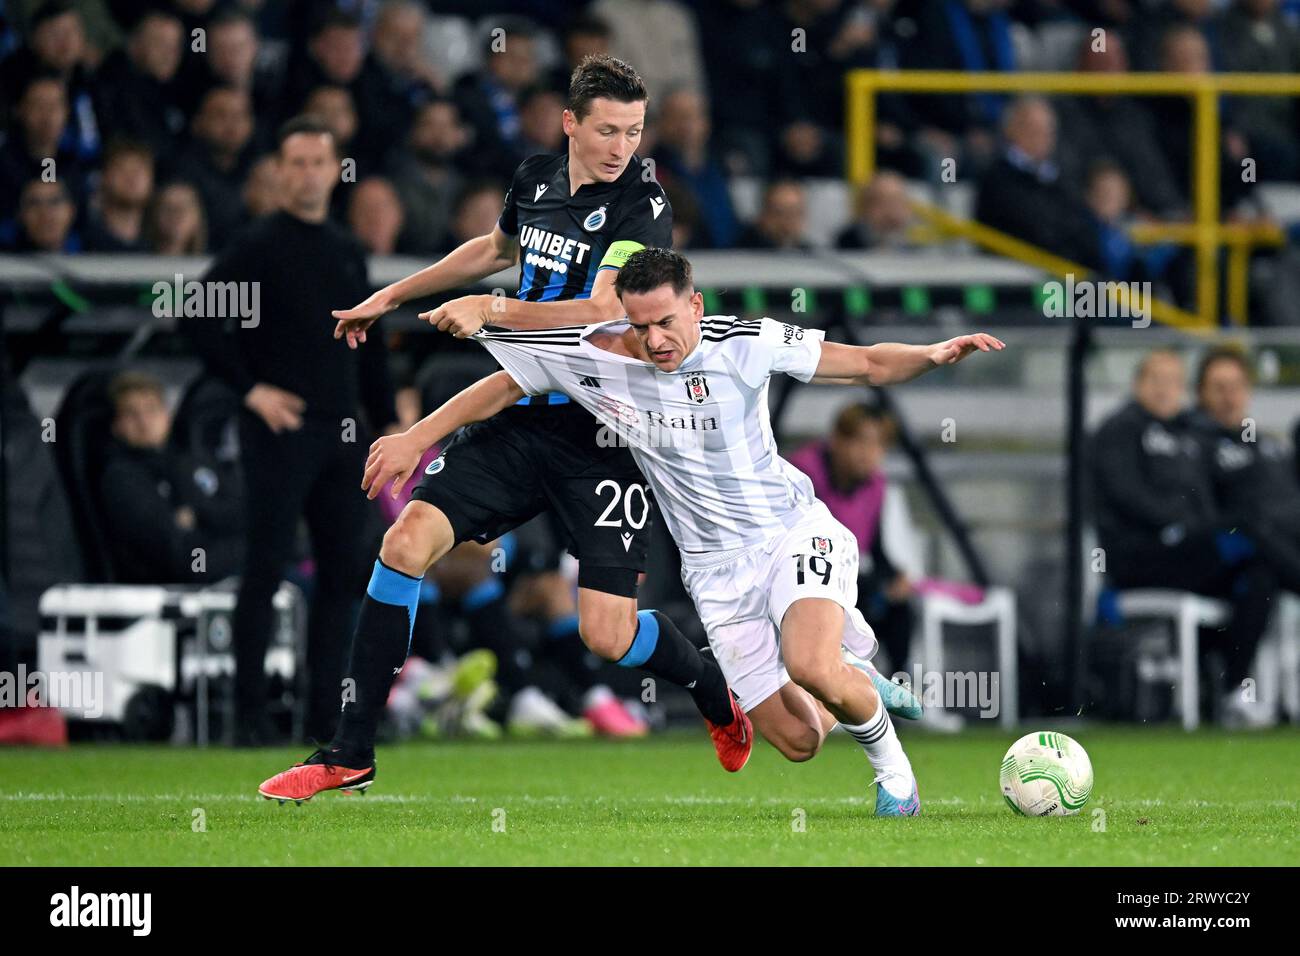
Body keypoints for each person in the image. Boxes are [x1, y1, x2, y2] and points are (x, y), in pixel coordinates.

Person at [258, 56, 745, 804]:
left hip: (604, 433)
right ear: (571, 123)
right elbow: (493, 250)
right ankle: (349, 752)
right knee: (404, 541)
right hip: (521, 409)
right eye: (609, 129)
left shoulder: (642, 207)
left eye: (636, 131)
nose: (624, 147)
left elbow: (603, 308)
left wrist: (494, 312)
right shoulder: (536, 181)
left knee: (606, 635)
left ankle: (709, 680)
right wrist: (387, 296)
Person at [377, 249, 995, 814]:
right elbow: (502, 386)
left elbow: (861, 363)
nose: (656, 340)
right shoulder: (597, 354)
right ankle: (857, 682)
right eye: (641, 325)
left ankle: (896, 779)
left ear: (695, 304)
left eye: (668, 321)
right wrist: (416, 436)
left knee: (809, 663)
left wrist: (933, 355)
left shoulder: (746, 341)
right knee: (801, 739)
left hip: (789, 533)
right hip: (714, 573)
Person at [185, 115, 397, 746]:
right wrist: (250, 390)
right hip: (278, 432)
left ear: (336, 171)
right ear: (279, 172)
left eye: (317, 162)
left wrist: (386, 416)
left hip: (341, 433)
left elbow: (370, 339)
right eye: (295, 162)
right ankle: (248, 718)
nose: (307, 174)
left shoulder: (346, 248)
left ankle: (324, 720)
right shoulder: (255, 246)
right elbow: (195, 314)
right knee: (266, 566)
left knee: (340, 578)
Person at [1090, 350, 1278, 724]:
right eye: (1156, 380)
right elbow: (1124, 493)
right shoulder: (1119, 429)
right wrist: (1183, 525)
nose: (1165, 389)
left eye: (1174, 381)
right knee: (1248, 537)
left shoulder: (1189, 435)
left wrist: (1198, 527)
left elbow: (1203, 502)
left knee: (1261, 577)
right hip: (1138, 557)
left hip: (1188, 555)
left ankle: (1231, 691)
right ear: (1137, 384)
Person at [788, 403, 923, 675]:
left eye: (879, 445)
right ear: (837, 440)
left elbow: (874, 547)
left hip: (852, 582)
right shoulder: (801, 473)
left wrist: (895, 577)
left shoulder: (876, 485)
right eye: (862, 442)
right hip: (801, 578)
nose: (870, 454)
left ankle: (897, 691)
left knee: (900, 610)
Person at [99, 371, 243, 583]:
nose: (144, 421)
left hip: (229, 572)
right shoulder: (122, 478)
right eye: (131, 414)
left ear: (167, 415)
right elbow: (190, 563)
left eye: (151, 410)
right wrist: (252, 549)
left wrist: (199, 515)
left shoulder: (188, 460)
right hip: (178, 590)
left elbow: (241, 513)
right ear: (116, 425)